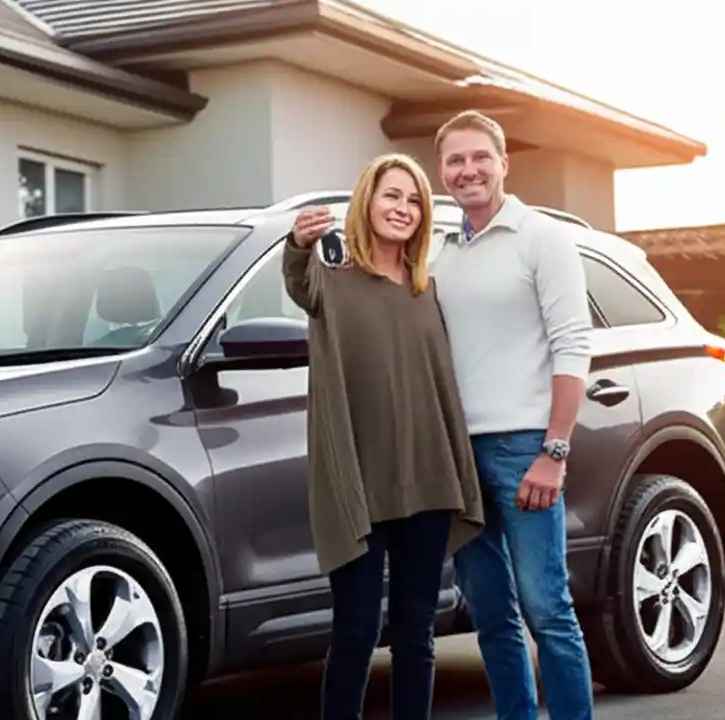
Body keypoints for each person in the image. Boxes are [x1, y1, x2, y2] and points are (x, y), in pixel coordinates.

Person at [284, 153, 485, 720]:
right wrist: (297, 244)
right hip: (361, 486)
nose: (403, 208)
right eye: (392, 195)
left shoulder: (429, 290)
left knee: (416, 630)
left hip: (427, 482)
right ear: (366, 202)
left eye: (414, 200)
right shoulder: (332, 281)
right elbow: (299, 281)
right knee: (355, 628)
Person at [429, 110, 596, 720]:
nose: (468, 170)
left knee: (547, 609)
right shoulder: (442, 251)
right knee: (491, 615)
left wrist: (554, 451)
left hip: (526, 448)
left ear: (504, 163)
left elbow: (572, 345)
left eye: (480, 157)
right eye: (455, 160)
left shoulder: (542, 238)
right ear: (441, 171)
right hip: (460, 459)